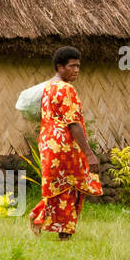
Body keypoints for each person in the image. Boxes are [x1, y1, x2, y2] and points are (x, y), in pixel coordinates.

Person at [29, 46, 102, 239]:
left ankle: (38, 216)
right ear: (60, 67)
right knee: (73, 188)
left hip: (47, 144)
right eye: (72, 66)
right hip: (65, 146)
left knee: (58, 187)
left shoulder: (48, 87)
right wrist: (89, 153)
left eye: (78, 66)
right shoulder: (66, 89)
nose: (76, 70)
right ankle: (63, 234)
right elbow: (73, 123)